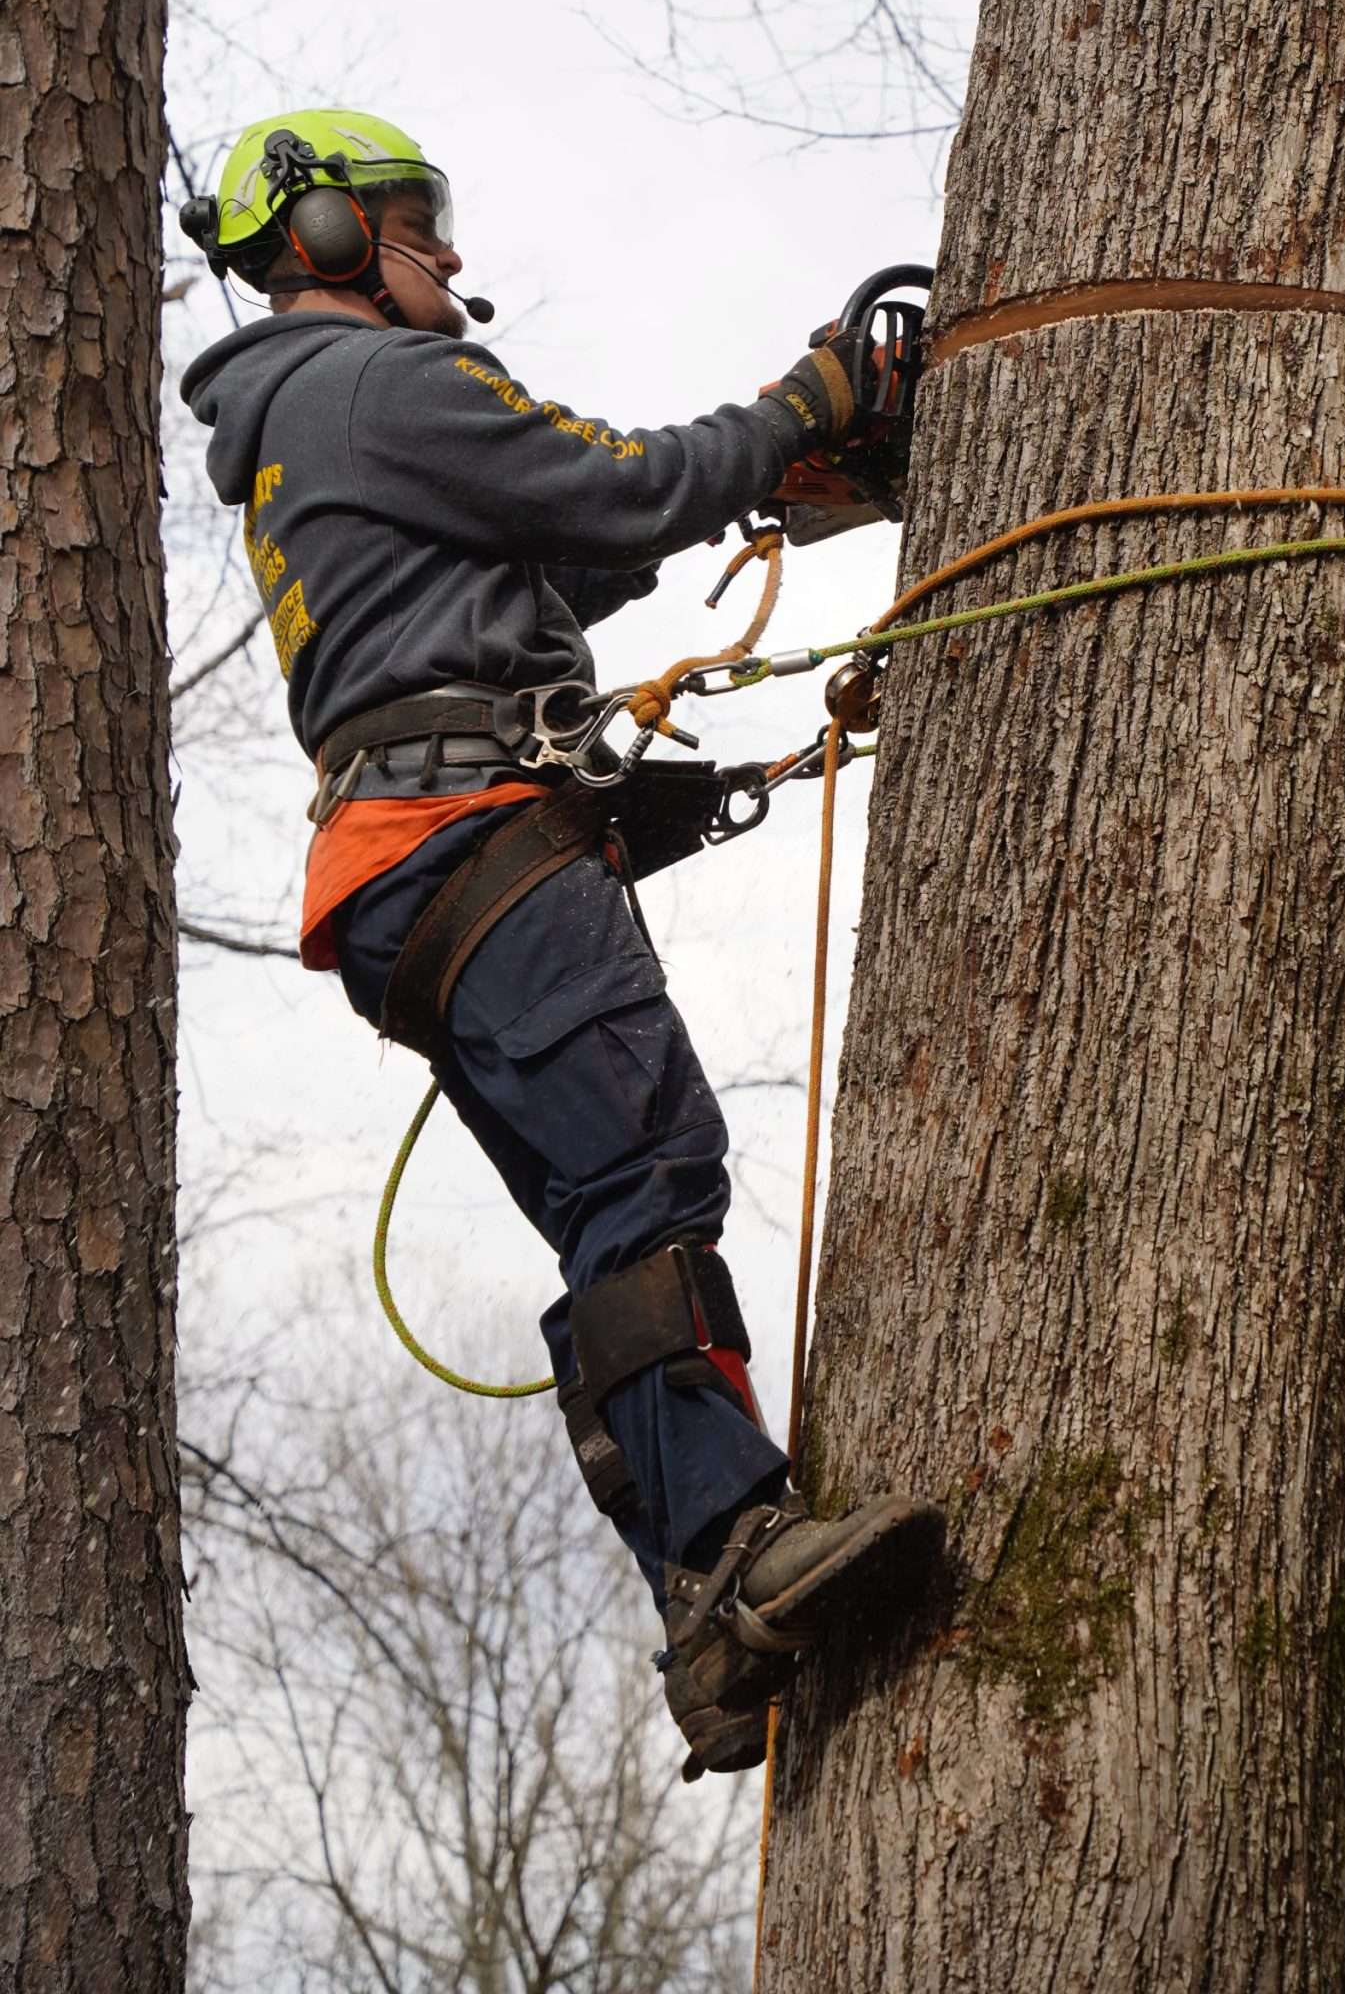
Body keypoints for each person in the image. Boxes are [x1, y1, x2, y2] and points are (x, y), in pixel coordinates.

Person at [179, 108, 935, 1778]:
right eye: (410, 219)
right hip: (463, 834)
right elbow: (617, 489)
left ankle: (710, 1618)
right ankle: (731, 1557)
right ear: (318, 240)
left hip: (410, 866)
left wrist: (765, 498)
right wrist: (806, 406)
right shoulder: (383, 387)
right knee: (649, 1172)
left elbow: (578, 555)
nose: (445, 250)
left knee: (618, 1196)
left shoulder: (315, 434)